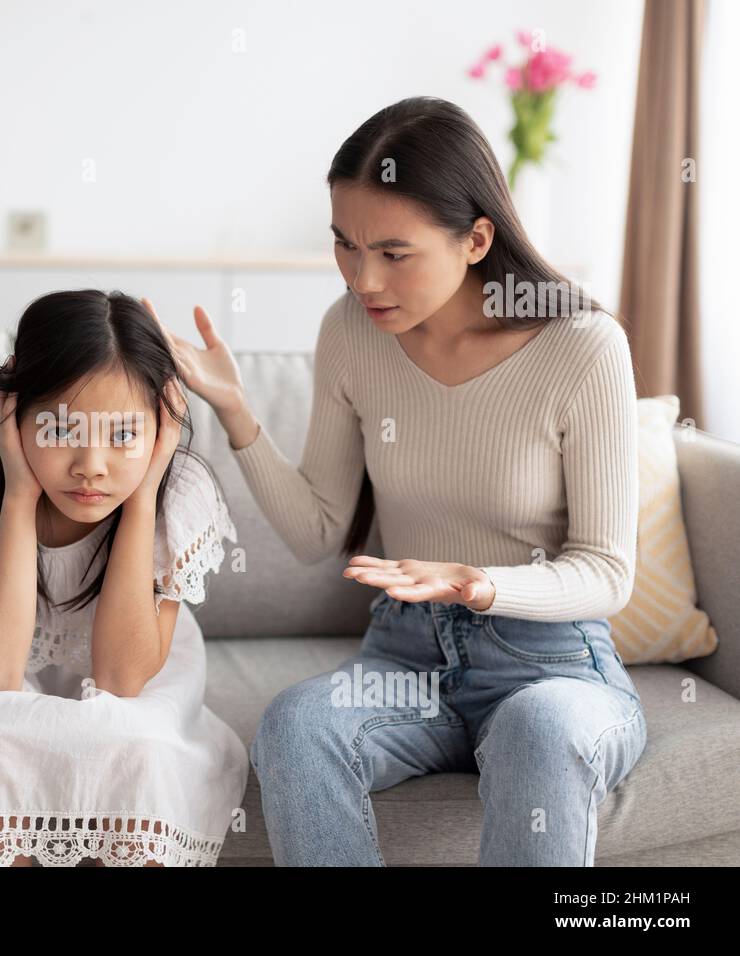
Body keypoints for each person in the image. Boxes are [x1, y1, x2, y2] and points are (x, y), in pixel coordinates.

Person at [154, 96, 645, 866]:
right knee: (298, 724)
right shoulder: (350, 332)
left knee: (537, 728)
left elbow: (608, 573)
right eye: (345, 245)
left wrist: (474, 582)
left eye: (393, 252)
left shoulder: (582, 348)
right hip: (407, 661)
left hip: (551, 668)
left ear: (477, 238)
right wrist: (236, 411)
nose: (362, 278)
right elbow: (318, 529)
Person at [0, 290, 247, 866]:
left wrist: (143, 499)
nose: (92, 464)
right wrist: (20, 493)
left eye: (123, 435)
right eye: (63, 429)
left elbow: (121, 680)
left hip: (139, 671)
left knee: (137, 748)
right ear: (17, 415)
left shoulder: (181, 491)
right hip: (12, 662)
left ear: (160, 428)